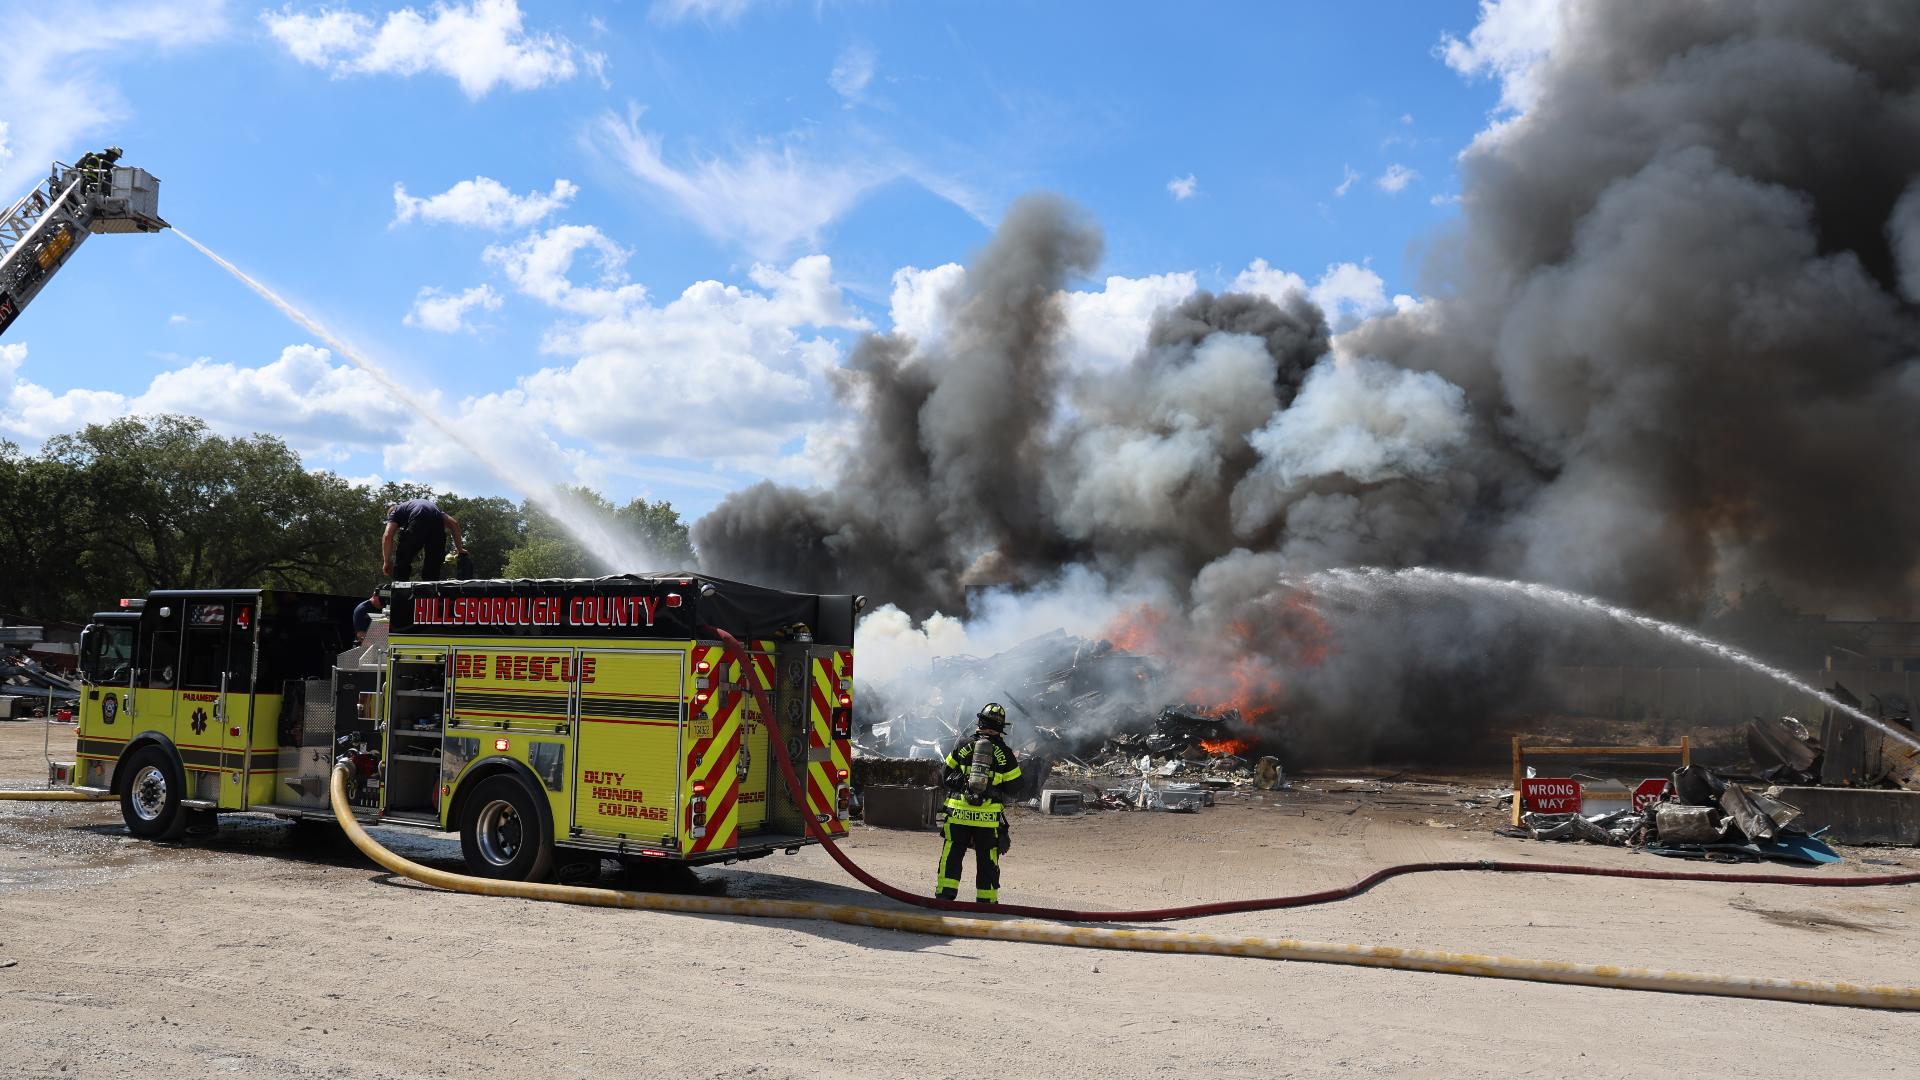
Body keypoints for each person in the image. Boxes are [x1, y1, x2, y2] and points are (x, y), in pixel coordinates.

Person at [936, 702, 1021, 904]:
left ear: (980, 721)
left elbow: (944, 774)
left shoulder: (963, 744)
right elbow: (1015, 787)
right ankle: (986, 901)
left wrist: (963, 782)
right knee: (987, 859)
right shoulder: (1005, 753)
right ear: (1002, 728)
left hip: (958, 814)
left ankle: (944, 896)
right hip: (987, 819)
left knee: (952, 854)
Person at [382, 498, 466, 581]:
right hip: (437, 524)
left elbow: (387, 536)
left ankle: (400, 588)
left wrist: (386, 562)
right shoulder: (433, 509)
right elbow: (454, 524)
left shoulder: (395, 511)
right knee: (433, 567)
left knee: (402, 559)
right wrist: (460, 549)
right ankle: (430, 589)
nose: (398, 528)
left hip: (417, 521)